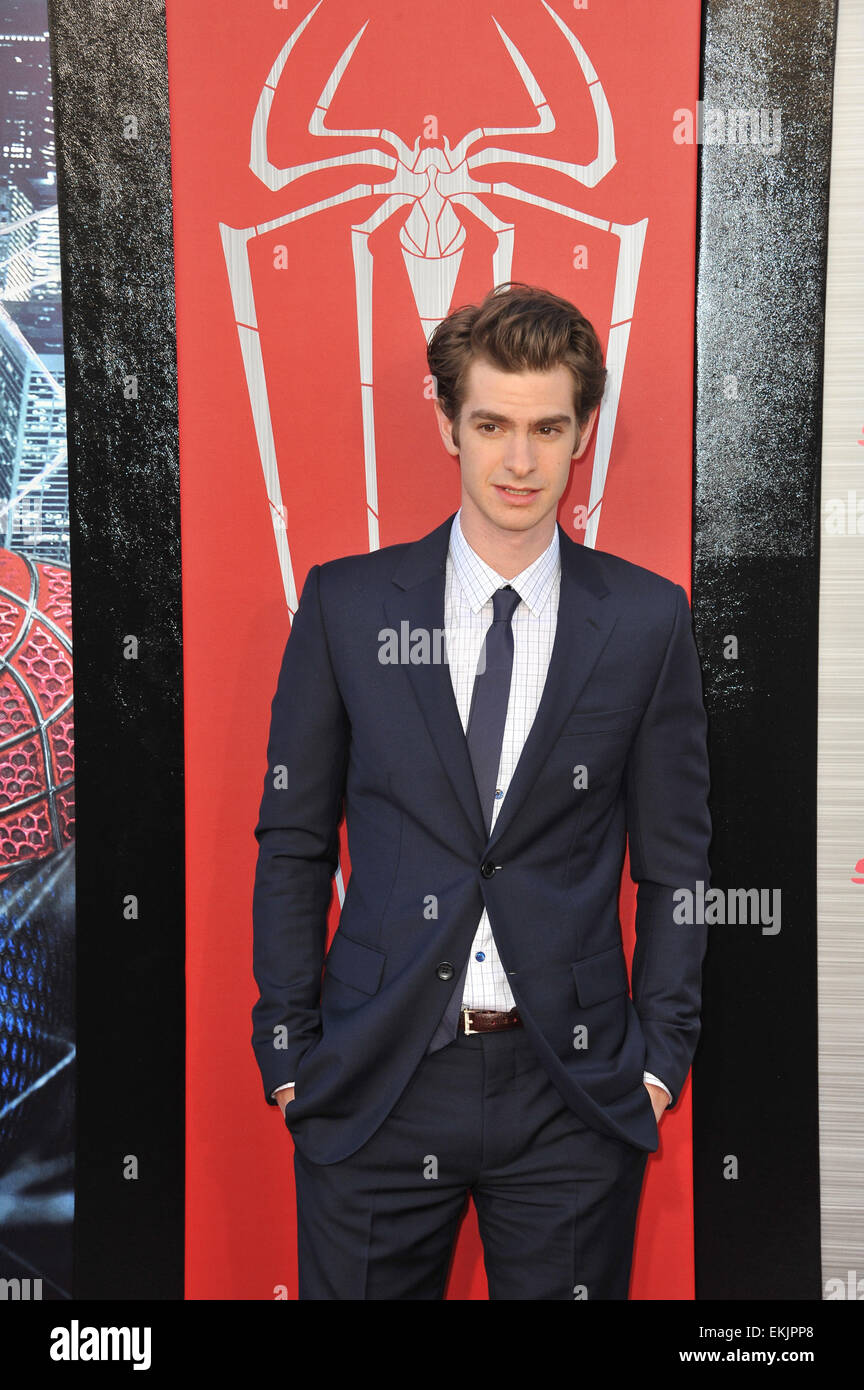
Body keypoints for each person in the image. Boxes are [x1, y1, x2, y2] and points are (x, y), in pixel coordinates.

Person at [251, 281, 712, 1300]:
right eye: (492, 424)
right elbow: (294, 838)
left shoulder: (645, 623)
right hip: (377, 1079)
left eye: (548, 428)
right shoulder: (348, 604)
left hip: (574, 1092)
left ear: (583, 430)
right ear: (447, 422)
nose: (519, 460)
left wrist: (658, 1057)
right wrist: (289, 1049)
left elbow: (678, 866)